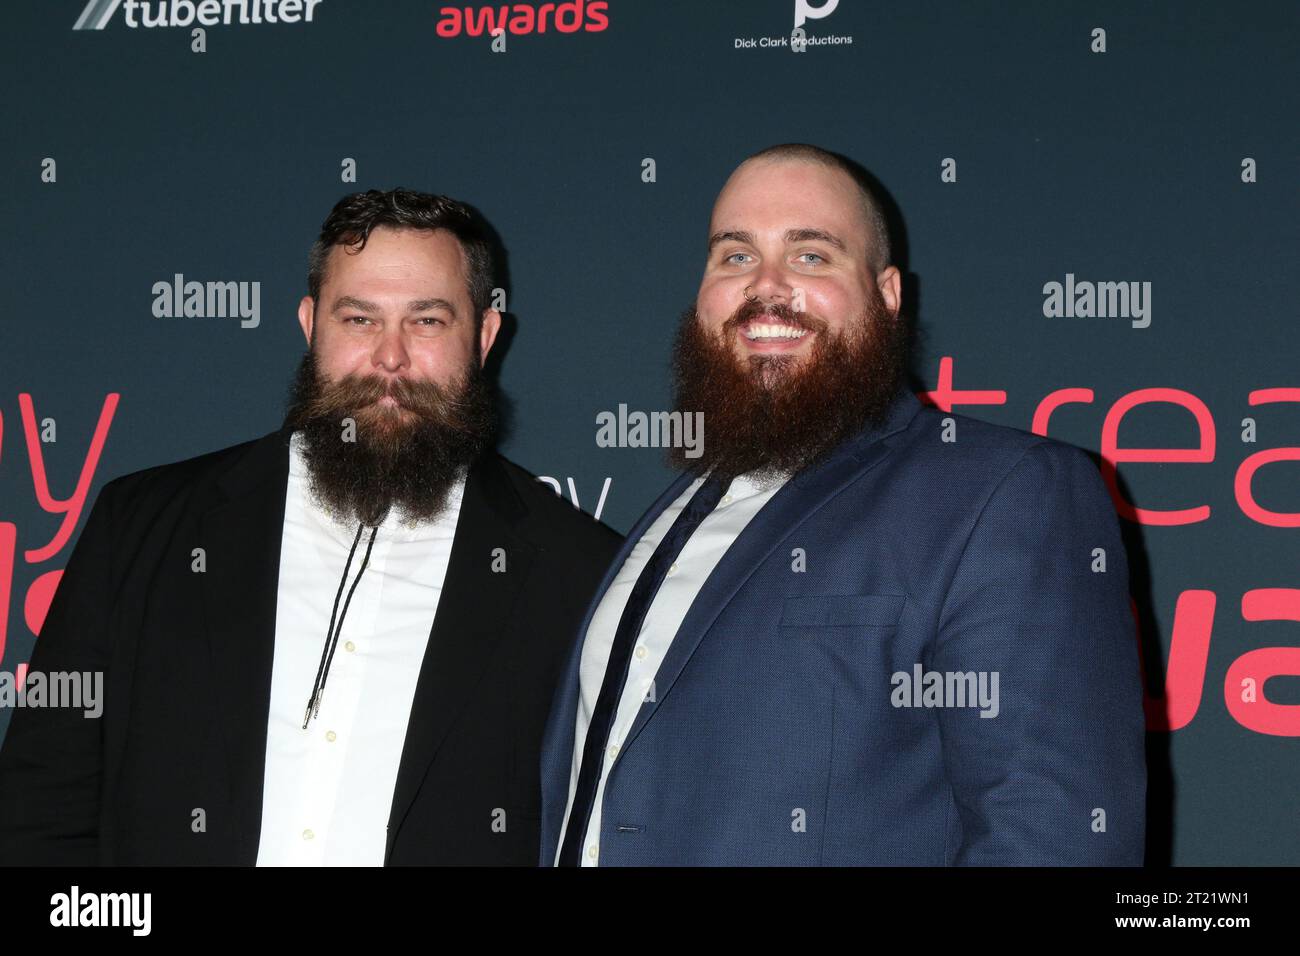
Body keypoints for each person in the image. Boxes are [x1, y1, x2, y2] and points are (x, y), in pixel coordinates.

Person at [541, 144, 1146, 866]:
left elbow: (1053, 836)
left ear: (887, 294)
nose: (765, 287)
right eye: (734, 257)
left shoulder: (1004, 491)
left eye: (812, 256)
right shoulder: (674, 511)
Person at [0, 188, 621, 865]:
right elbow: (40, 811)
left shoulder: (577, 573)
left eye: (428, 321)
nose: (390, 358)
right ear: (309, 323)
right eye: (358, 319)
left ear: (485, 335)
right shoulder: (144, 528)